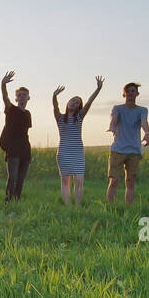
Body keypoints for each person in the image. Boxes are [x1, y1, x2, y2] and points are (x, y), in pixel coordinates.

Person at [53, 76, 104, 204]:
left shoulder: (80, 117)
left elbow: (89, 103)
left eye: (77, 103)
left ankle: (77, 206)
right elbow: (55, 106)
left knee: (79, 181)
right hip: (64, 153)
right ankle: (67, 206)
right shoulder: (60, 117)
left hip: (78, 153)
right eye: (73, 100)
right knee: (65, 181)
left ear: (78, 108)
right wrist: (54, 96)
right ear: (68, 102)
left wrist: (98, 89)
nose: (74, 103)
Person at [107, 82, 149, 204]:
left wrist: (147, 133)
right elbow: (114, 118)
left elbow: (143, 122)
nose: (131, 93)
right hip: (118, 149)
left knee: (130, 181)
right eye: (128, 91)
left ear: (137, 94)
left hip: (134, 150)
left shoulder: (142, 110)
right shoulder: (117, 108)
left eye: (133, 91)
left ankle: (128, 208)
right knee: (114, 180)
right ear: (124, 94)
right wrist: (112, 126)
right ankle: (111, 207)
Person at [0, 72, 32, 201]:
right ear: (16, 99)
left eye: (24, 95)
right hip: (13, 150)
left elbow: (25, 133)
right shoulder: (11, 109)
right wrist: (3, 84)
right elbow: (5, 97)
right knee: (12, 178)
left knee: (21, 180)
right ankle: (8, 202)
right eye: (19, 95)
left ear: (28, 98)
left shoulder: (28, 114)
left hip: (25, 151)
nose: (22, 97)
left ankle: (16, 202)